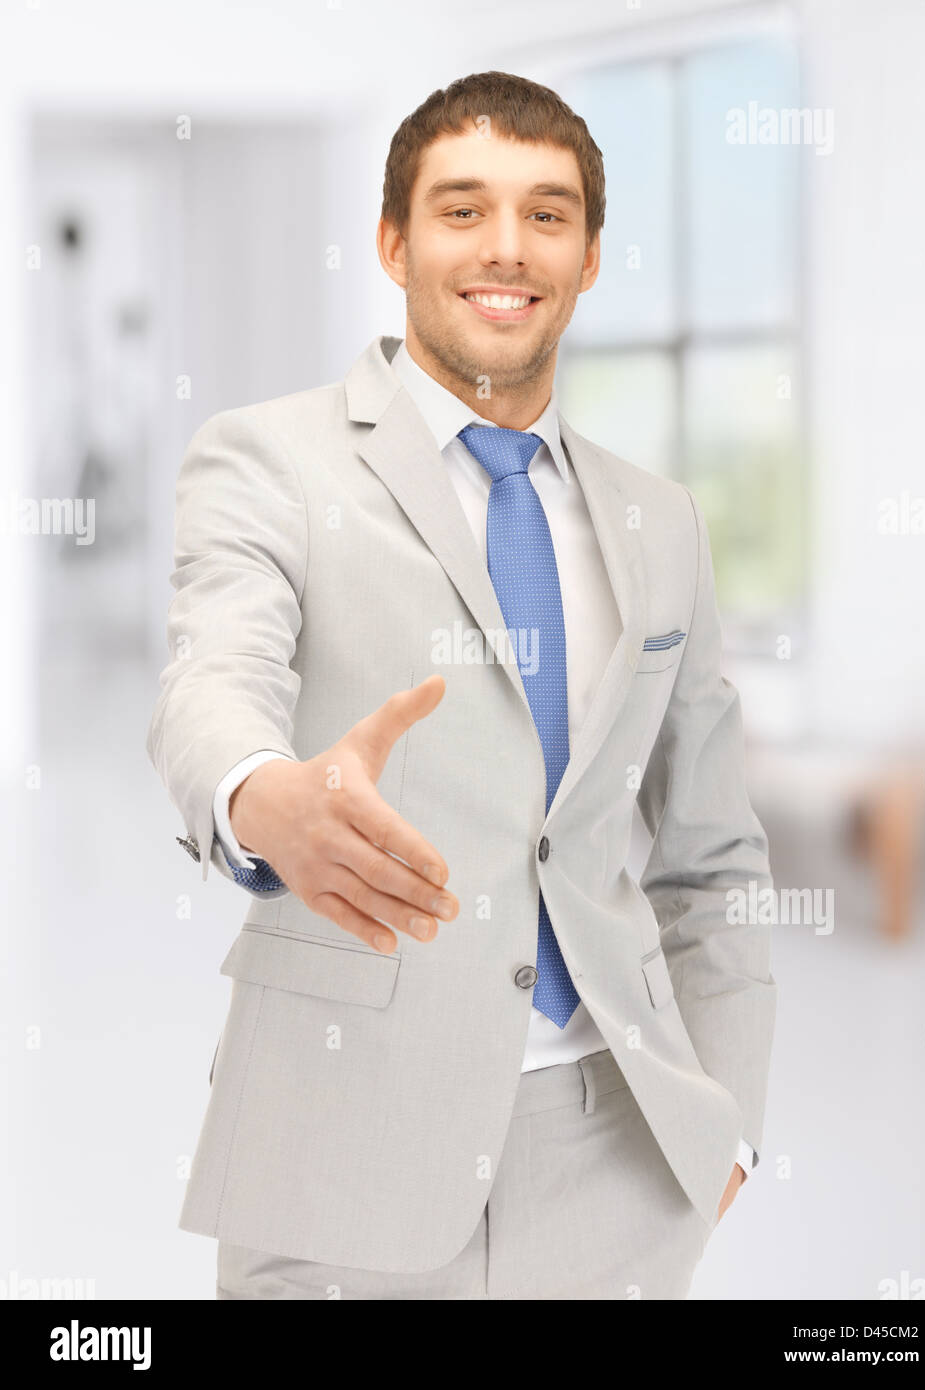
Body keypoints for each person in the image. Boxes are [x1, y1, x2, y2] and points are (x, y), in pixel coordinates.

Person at [147, 69, 777, 1300]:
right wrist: (264, 795)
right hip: (341, 1146)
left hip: (623, 1157)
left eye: (548, 214)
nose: (507, 247)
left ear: (590, 257)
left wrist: (730, 1121)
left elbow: (713, 855)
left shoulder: (662, 522)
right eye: (462, 208)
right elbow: (207, 682)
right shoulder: (267, 457)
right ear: (393, 240)